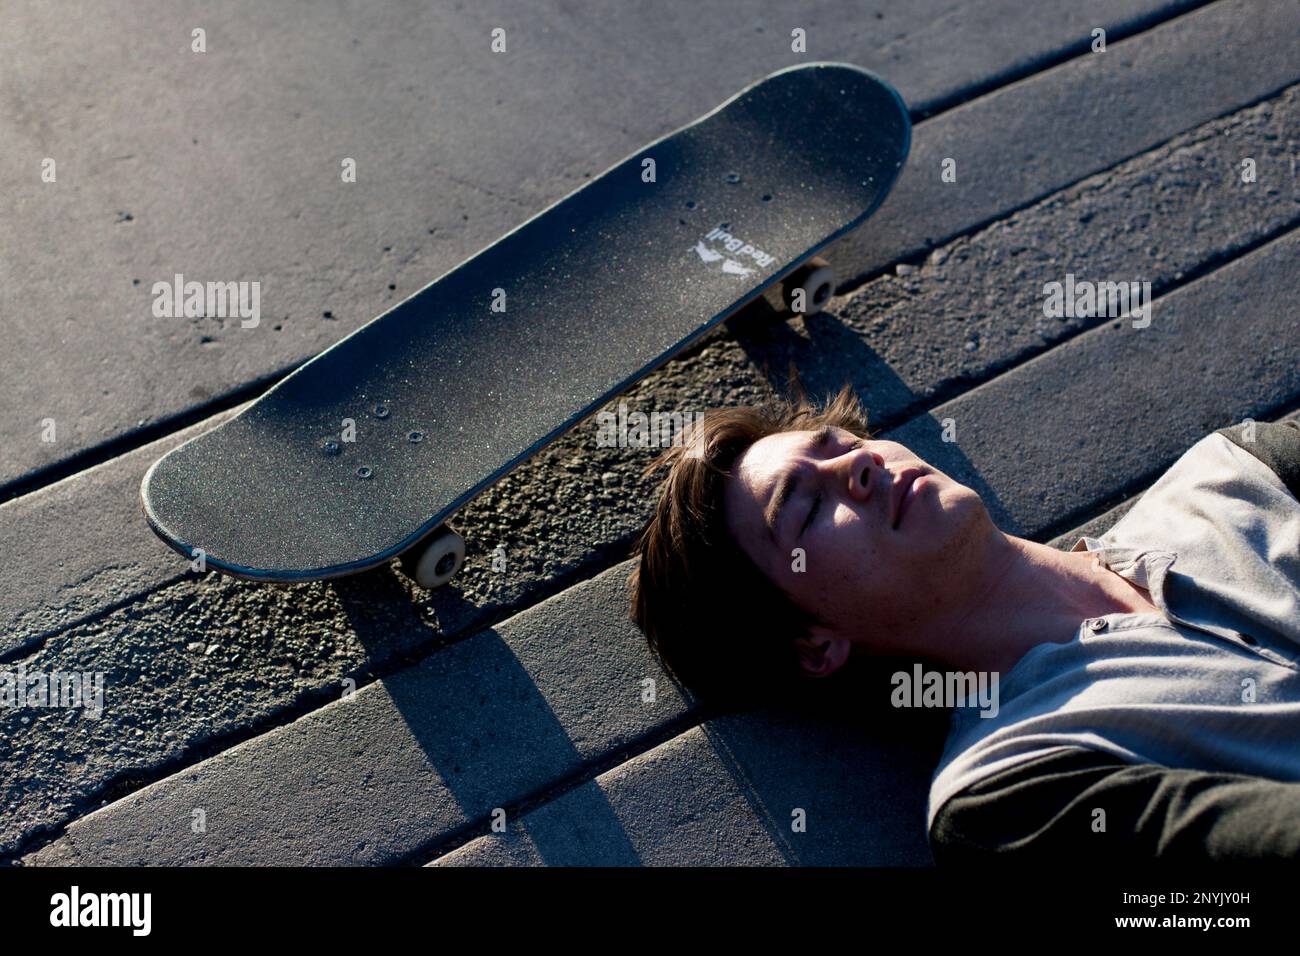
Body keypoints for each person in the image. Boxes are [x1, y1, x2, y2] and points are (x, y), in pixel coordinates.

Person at [627, 382, 1300, 861]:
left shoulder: (1235, 473)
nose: (858, 463)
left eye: (839, 443)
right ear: (814, 643)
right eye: (803, 507)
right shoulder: (1009, 787)